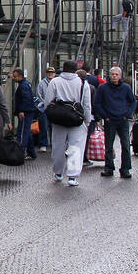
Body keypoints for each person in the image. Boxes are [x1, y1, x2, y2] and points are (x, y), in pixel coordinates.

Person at [43, 59, 94, 187]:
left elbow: (48, 101)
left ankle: (58, 172)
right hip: (76, 118)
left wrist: (50, 113)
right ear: (75, 69)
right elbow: (87, 105)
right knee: (76, 147)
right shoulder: (83, 83)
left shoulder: (55, 81)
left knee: (58, 146)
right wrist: (87, 120)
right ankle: (72, 176)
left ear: (63, 68)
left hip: (59, 118)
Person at [93, 65, 136, 179]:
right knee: (108, 145)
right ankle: (108, 168)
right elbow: (97, 103)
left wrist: (127, 114)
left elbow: (132, 102)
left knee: (126, 145)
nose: (114, 76)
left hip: (122, 119)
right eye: (112, 74)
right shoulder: (103, 88)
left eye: (116, 74)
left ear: (120, 76)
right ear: (109, 75)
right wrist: (104, 116)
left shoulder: (126, 88)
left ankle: (125, 169)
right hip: (110, 119)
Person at [10, 68, 38, 160]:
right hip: (28, 111)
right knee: (27, 132)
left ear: (20, 77)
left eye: (15, 77)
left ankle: (20, 153)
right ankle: (31, 153)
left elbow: (26, 99)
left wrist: (21, 110)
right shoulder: (25, 84)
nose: (13, 78)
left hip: (25, 112)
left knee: (22, 132)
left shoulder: (23, 86)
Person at [35, 65, 56, 153]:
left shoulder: (56, 82)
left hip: (55, 108)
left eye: (52, 73)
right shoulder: (42, 83)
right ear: (46, 74)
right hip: (44, 108)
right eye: (49, 73)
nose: (50, 74)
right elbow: (39, 94)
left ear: (54, 74)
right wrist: (45, 103)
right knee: (43, 126)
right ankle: (43, 144)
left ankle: (54, 144)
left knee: (54, 127)